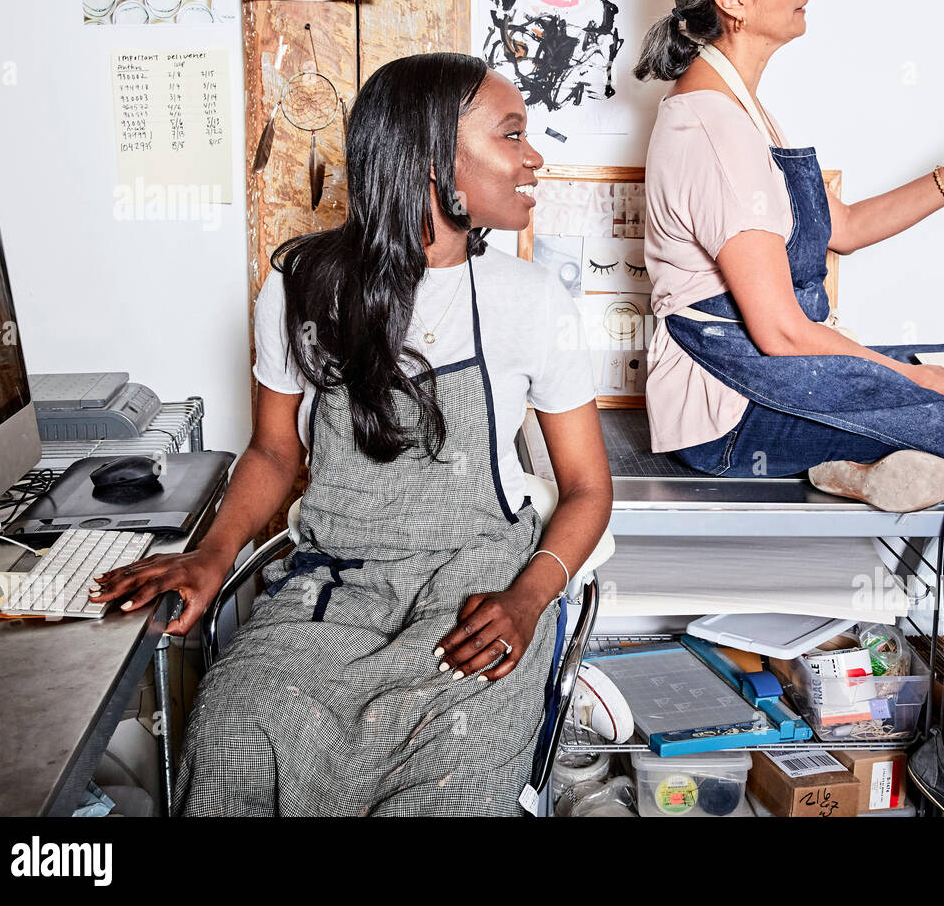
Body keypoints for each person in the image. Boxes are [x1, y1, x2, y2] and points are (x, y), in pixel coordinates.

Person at [92, 53, 612, 816]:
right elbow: (275, 452)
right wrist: (213, 553)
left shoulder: (531, 302)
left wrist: (528, 600)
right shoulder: (302, 286)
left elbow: (589, 488)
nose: (533, 157)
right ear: (434, 161)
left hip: (472, 594)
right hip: (335, 588)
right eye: (511, 135)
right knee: (233, 725)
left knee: (449, 773)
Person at [635, 0, 944, 817]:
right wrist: (907, 379)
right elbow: (779, 331)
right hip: (733, 399)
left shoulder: (740, 110)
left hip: (767, 360)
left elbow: (843, 229)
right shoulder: (710, 127)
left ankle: (861, 460)